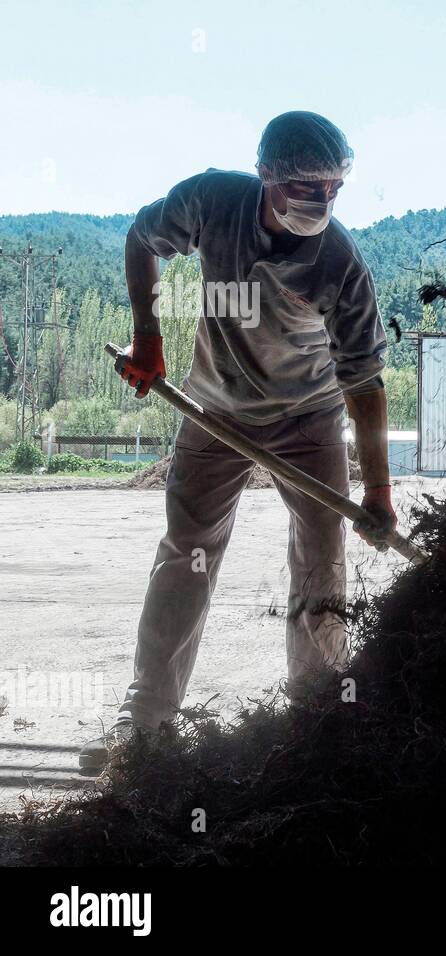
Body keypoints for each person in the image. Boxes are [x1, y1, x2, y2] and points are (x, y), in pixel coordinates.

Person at [80, 111, 396, 773]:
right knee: (186, 553)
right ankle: (145, 725)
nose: (322, 201)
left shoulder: (338, 262)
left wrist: (379, 493)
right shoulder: (213, 202)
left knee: (321, 560)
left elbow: (364, 384)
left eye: (335, 188)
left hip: (308, 422)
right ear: (266, 176)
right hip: (214, 411)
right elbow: (143, 238)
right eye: (307, 187)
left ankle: (316, 720)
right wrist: (148, 335)